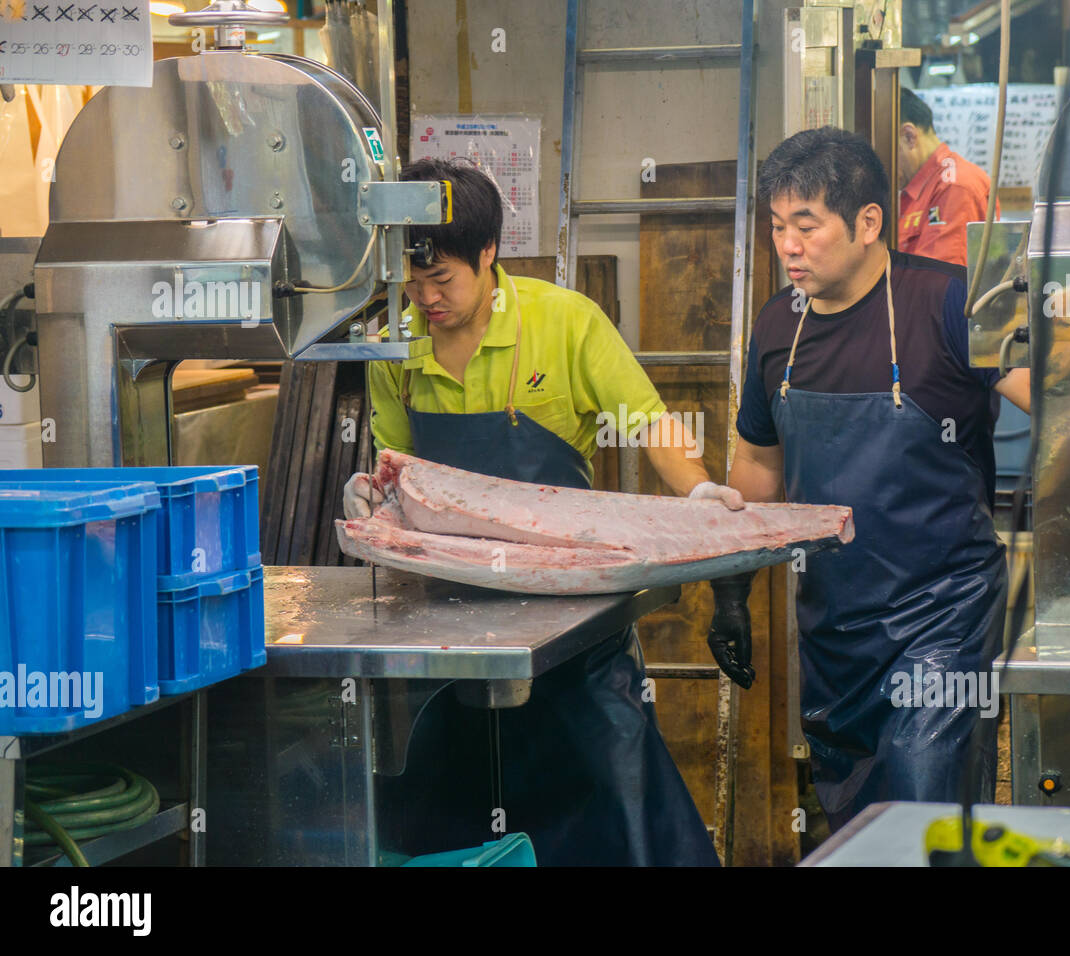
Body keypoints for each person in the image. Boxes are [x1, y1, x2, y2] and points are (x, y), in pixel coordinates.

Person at [343, 157, 741, 865]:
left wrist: (698, 492)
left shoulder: (563, 323)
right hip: (455, 629)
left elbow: (649, 423)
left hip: (573, 630)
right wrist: (376, 500)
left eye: (442, 281)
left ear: (489, 253)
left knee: (618, 815)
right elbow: (396, 466)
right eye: (412, 281)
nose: (425, 298)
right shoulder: (396, 349)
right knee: (450, 825)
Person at [704, 127, 1030, 832]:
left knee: (925, 820)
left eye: (806, 226)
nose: (787, 246)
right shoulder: (773, 329)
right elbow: (758, 469)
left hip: (944, 621)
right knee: (856, 828)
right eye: (776, 227)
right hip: (837, 632)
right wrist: (729, 588)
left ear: (868, 223)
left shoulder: (953, 302)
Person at [897, 87, 998, 267]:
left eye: (881, 149)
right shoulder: (917, 190)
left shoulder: (954, 187)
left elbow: (938, 282)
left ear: (909, 137)